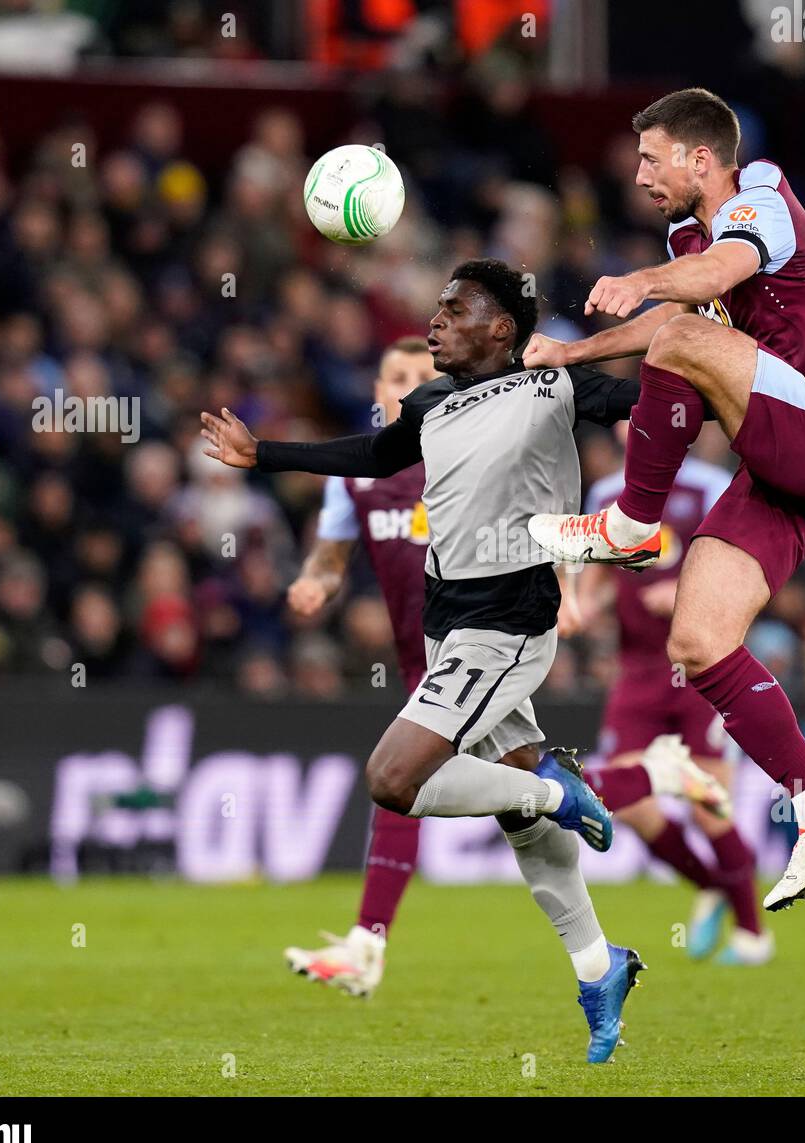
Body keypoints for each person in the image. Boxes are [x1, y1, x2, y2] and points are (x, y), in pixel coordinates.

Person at [204, 258, 683, 1062]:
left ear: (502, 327)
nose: (435, 320)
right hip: (447, 625)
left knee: (393, 779)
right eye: (436, 306)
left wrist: (728, 362)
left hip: (508, 624)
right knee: (521, 823)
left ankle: (555, 789)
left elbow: (665, 399)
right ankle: (600, 967)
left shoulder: (557, 380)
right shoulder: (429, 400)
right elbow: (376, 455)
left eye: (455, 308)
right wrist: (268, 456)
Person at [525, 88, 805, 911]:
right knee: (698, 640)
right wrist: (570, 352)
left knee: (683, 337)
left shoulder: (762, 199)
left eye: (649, 158)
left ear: (702, 159)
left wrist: (637, 281)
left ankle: (631, 524)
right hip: (787, 469)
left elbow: (709, 283)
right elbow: (673, 312)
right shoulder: (687, 237)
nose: (638, 175)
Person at [280, 336, 435, 998]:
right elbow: (331, 554)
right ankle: (634, 777)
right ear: (377, 391)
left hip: (487, 650)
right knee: (529, 810)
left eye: (423, 376)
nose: (405, 386)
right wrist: (316, 581)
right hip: (419, 664)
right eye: (394, 375)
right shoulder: (359, 475)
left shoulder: (478, 451)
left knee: (396, 777)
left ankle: (367, 943)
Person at [581, 439, 773, 965]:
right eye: (624, 414)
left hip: (703, 664)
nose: (632, 423)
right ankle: (711, 885)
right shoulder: (605, 494)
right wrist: (579, 605)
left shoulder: (710, 488)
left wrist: (687, 592)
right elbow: (594, 574)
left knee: (709, 807)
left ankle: (753, 935)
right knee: (630, 804)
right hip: (637, 672)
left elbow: (743, 567)